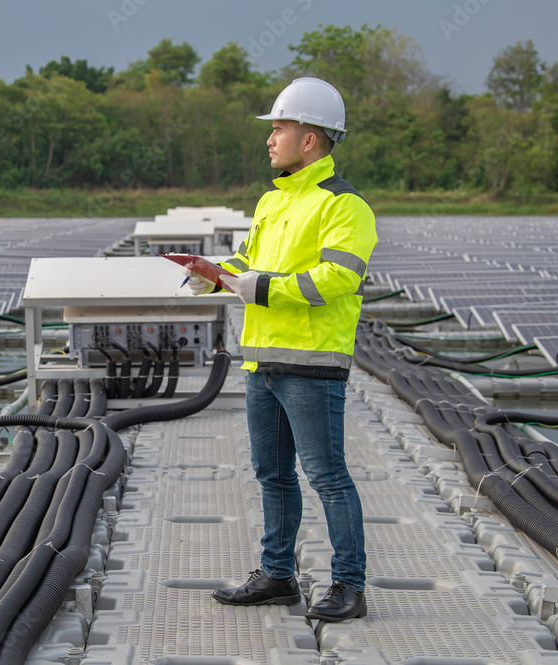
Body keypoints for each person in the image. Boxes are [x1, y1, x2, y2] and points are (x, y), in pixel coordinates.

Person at [183, 77, 377, 622]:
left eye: (279, 128)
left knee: (327, 476)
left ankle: (349, 586)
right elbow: (248, 263)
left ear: (310, 139)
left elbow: (335, 278)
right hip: (263, 361)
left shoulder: (345, 206)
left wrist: (258, 287)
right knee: (272, 475)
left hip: (313, 365)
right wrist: (214, 276)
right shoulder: (272, 200)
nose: (270, 139)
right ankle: (277, 576)